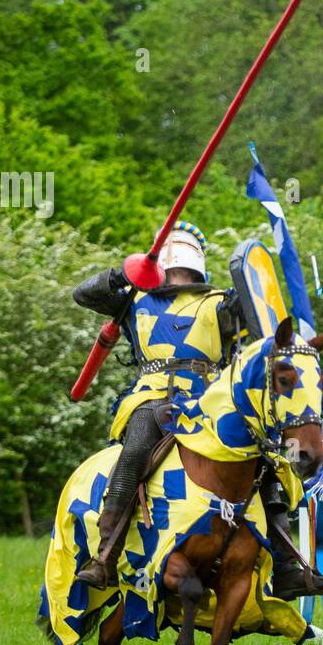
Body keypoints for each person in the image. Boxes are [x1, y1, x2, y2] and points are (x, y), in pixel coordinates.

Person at [70, 222, 233, 589]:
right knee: (136, 448)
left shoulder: (219, 301)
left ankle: (286, 560)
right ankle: (106, 554)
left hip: (207, 399)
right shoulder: (136, 300)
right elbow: (82, 294)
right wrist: (121, 276)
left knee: (257, 449)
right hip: (153, 395)